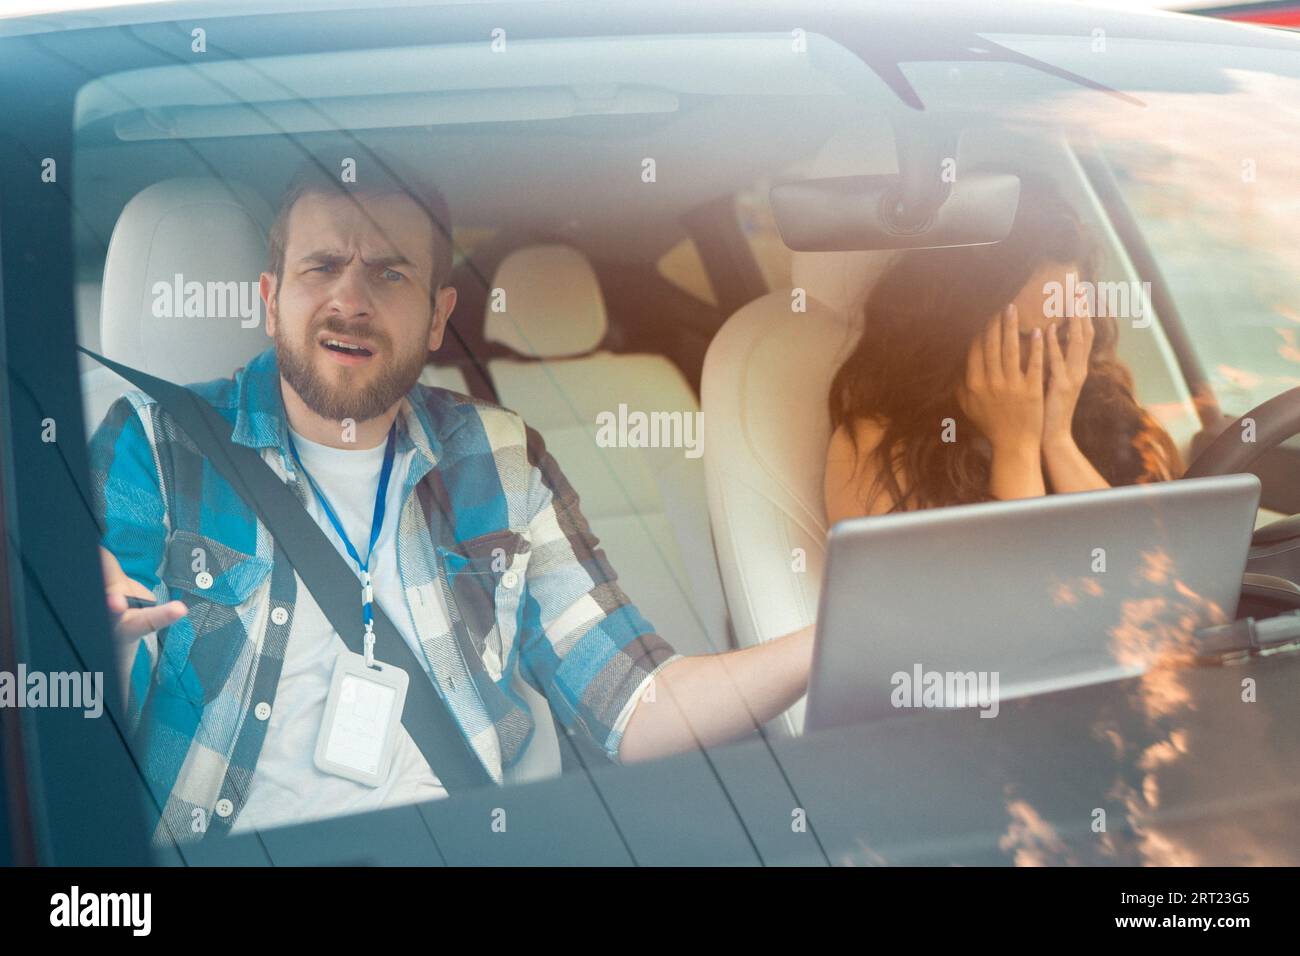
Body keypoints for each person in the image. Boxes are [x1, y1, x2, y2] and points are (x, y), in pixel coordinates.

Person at [92, 157, 814, 844]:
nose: (351, 299)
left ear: (439, 317)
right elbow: (72, 683)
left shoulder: (499, 458)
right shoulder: (156, 449)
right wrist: (82, 638)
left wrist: (828, 638)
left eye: (389, 271)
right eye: (321, 267)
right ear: (272, 298)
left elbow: (634, 703)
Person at [824, 175, 1182, 524]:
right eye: (1022, 338)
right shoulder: (877, 446)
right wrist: (1016, 448)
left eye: (1062, 332)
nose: (1049, 363)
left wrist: (1057, 440)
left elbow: (1134, 564)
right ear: (953, 330)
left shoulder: (1097, 401)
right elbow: (1017, 579)